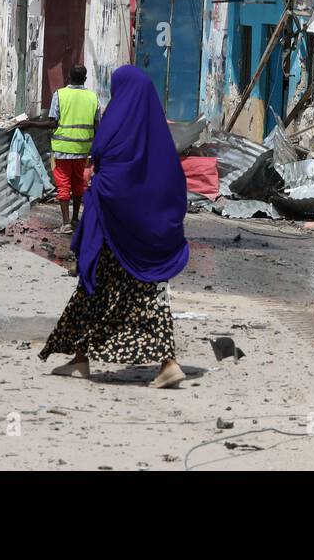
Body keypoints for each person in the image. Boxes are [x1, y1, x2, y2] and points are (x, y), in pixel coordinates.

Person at [39, 65, 189, 389]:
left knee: (119, 293)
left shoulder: (117, 129)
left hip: (114, 235)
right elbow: (173, 187)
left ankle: (168, 362)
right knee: (98, 292)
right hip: (142, 237)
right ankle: (80, 358)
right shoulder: (156, 138)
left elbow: (111, 179)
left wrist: (98, 185)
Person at [21, 65, 99, 233]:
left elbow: (52, 123)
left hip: (62, 148)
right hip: (83, 149)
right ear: (85, 79)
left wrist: (31, 124)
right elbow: (97, 125)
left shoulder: (60, 95)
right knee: (79, 182)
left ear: (68, 77)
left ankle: (65, 224)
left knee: (63, 184)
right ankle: (75, 219)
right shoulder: (93, 97)